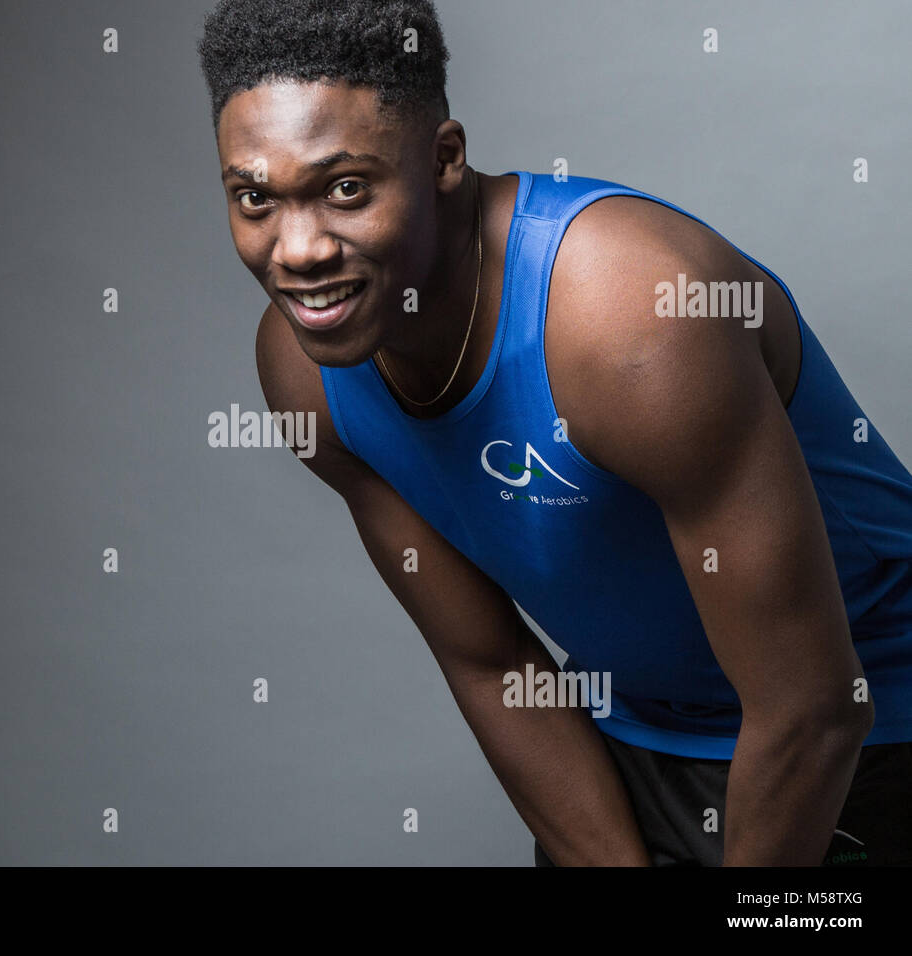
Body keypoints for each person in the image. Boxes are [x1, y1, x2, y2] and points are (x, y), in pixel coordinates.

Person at [198, 0, 912, 865]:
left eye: (346, 189)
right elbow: (490, 663)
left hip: (872, 730)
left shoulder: (629, 317)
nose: (298, 249)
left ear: (444, 159)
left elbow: (813, 707)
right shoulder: (304, 375)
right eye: (256, 199)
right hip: (638, 736)